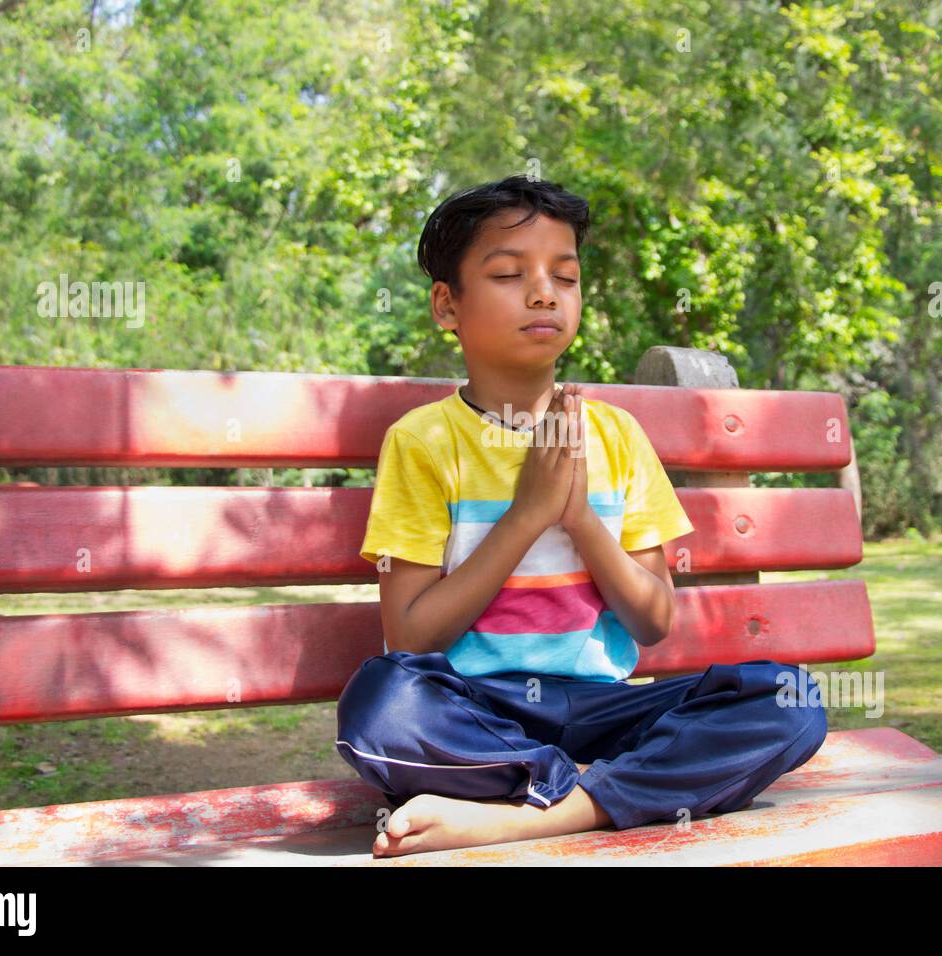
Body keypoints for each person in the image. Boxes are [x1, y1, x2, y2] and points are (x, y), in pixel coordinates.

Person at [336, 174, 827, 858]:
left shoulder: (617, 436)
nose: (544, 293)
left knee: (789, 699)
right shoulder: (424, 443)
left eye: (564, 277)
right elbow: (411, 636)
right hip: (480, 713)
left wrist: (582, 521)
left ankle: (540, 810)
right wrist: (527, 515)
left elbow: (653, 620)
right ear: (447, 306)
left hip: (606, 710)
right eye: (509, 274)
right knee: (380, 706)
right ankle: (601, 791)